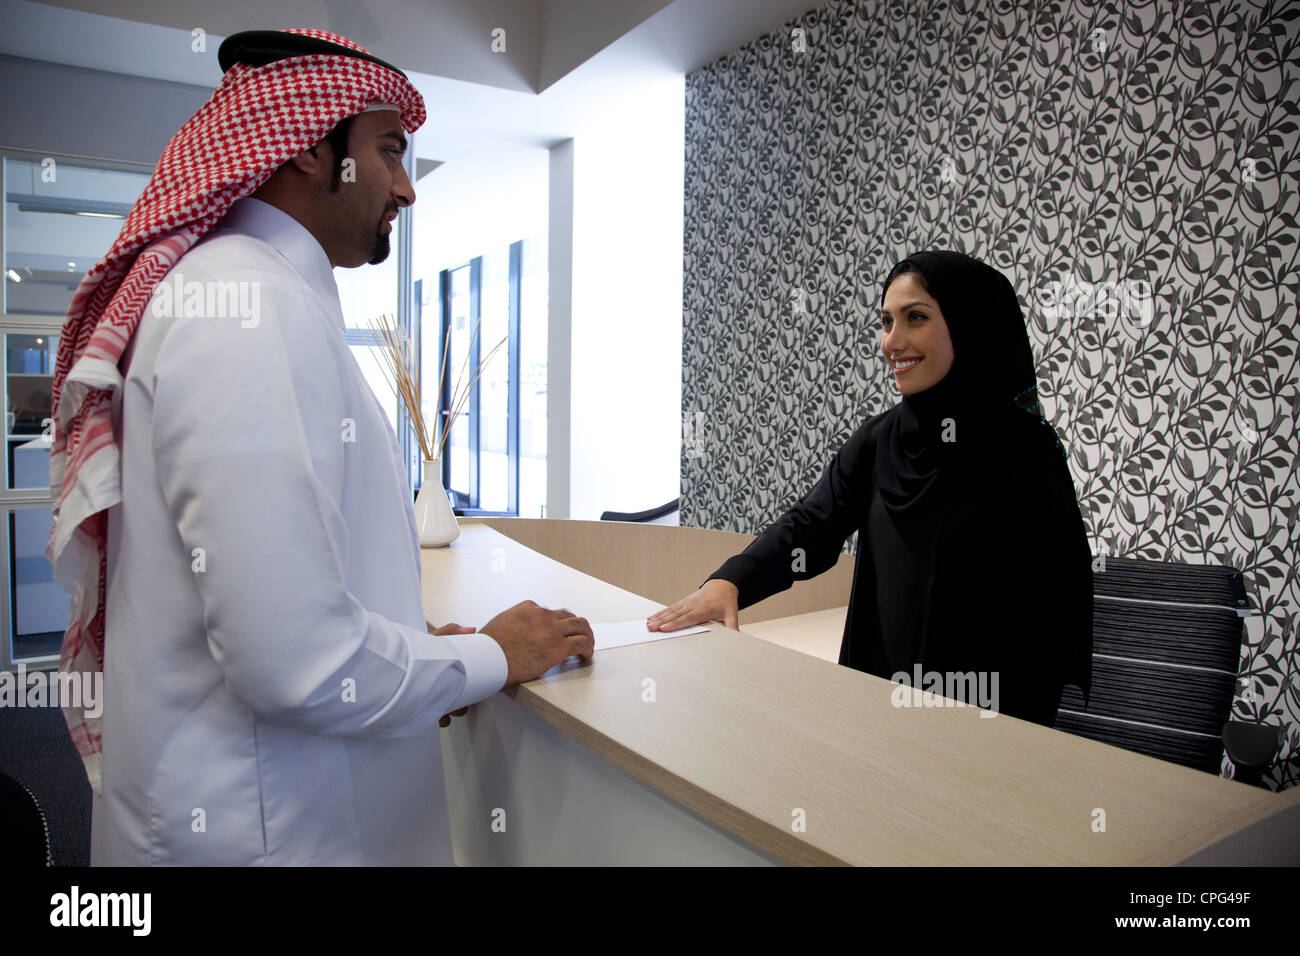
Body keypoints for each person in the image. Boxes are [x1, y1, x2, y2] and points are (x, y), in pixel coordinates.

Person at [48, 28, 594, 866]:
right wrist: (491, 655)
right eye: (388, 150)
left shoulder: (252, 294)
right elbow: (294, 656)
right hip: (264, 834)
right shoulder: (248, 308)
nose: (406, 188)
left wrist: (423, 648)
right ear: (308, 148)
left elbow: (289, 583)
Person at [648, 251, 1092, 726]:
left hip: (989, 723)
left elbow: (1050, 610)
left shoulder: (1025, 451)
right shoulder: (882, 440)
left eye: (915, 318)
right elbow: (811, 525)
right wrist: (731, 580)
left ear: (970, 323)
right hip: (880, 709)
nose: (891, 342)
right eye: (886, 321)